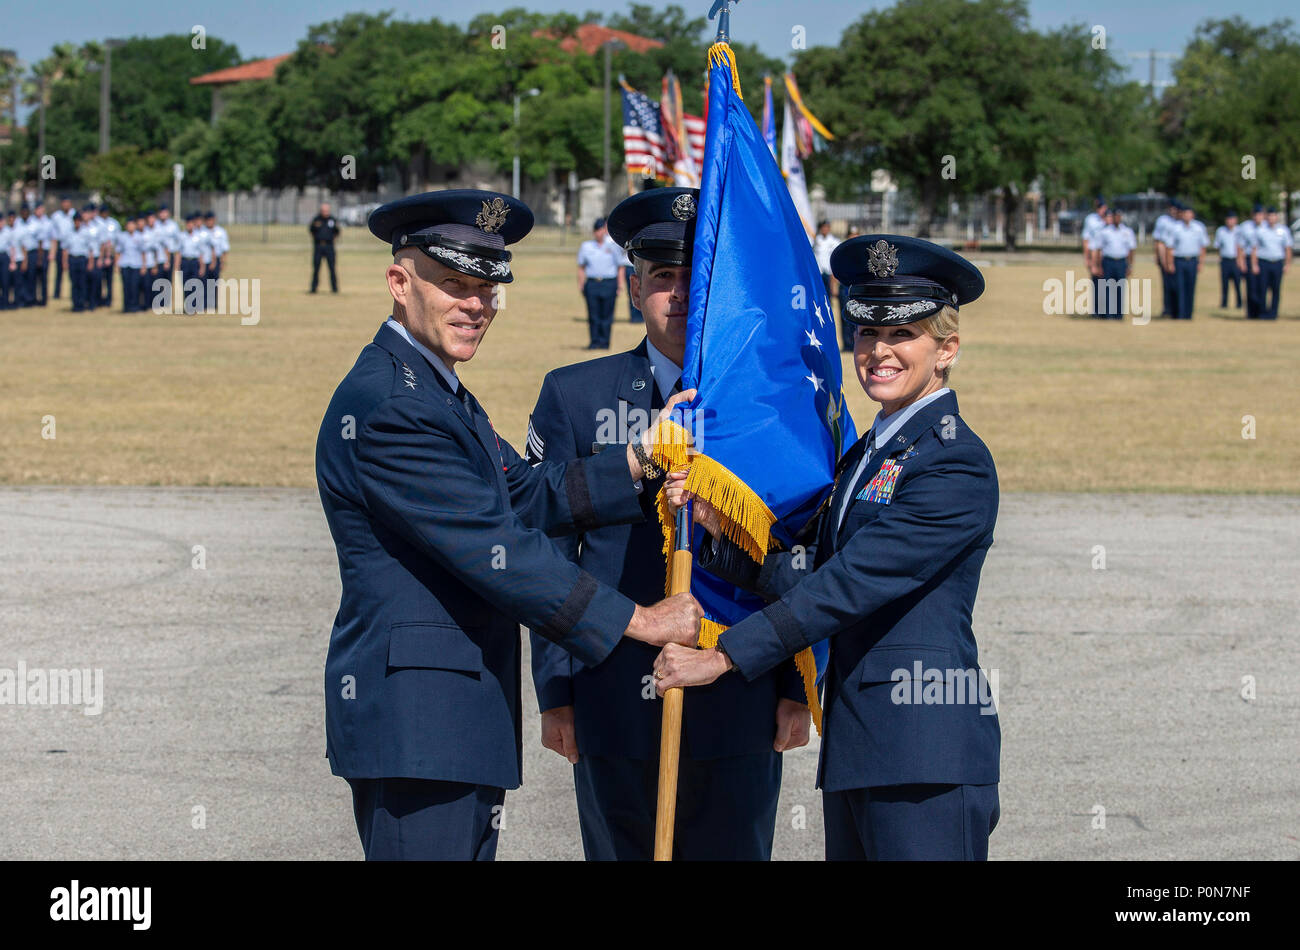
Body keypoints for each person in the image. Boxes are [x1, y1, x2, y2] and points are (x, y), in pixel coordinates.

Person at [316, 189, 704, 861]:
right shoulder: (392, 406)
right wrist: (643, 622)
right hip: (420, 726)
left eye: (488, 287)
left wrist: (642, 459)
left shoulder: (433, 389)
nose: (476, 304)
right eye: (455, 285)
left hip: (448, 723)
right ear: (399, 283)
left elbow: (527, 493)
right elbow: (503, 551)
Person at [655, 234, 1001, 861]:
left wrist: (725, 657)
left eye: (903, 335)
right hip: (865, 747)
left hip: (923, 755)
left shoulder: (953, 464)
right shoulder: (871, 451)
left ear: (947, 348)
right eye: (866, 333)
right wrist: (716, 529)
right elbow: (813, 569)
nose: (878, 351)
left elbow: (848, 586)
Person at [525, 187, 810, 861]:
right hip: (612, 694)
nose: (679, 296)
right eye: (662, 278)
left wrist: (797, 686)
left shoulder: (772, 404)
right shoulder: (575, 394)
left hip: (738, 693)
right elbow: (546, 546)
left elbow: (803, 548)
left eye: (697, 280)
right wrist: (557, 691)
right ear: (632, 286)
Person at [576, 216, 623, 349]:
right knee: (593, 315)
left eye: (601, 229)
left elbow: (620, 266)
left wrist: (620, 285)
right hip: (592, 283)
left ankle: (605, 342)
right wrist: (581, 285)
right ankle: (594, 341)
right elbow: (581, 267)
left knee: (607, 315)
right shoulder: (586, 246)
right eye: (597, 230)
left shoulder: (613, 246)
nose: (599, 233)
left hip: (609, 283)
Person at [1168, 201, 1208, 320]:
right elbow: (1170, 247)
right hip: (1179, 260)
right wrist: (1170, 263)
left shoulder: (1199, 228)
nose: (1187, 216)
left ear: (1192, 215)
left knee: (1191, 288)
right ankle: (1180, 314)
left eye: (1189, 213)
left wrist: (1201, 262)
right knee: (1179, 288)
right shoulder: (1176, 228)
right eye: (1184, 213)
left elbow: (1203, 246)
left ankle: (1188, 314)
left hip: (1192, 260)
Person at [1251, 207, 1293, 320]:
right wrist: (1254, 264)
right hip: (1264, 262)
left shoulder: (1283, 231)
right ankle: (1263, 313)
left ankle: (1273, 313)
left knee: (1276, 289)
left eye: (1273, 216)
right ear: (1266, 217)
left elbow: (1287, 248)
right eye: (1269, 216)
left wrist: (1287, 264)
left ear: (1277, 217)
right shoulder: (1260, 230)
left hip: (1277, 262)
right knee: (1262, 288)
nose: (1271, 218)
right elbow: (1254, 249)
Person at [1095, 209, 1136, 319]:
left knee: (1120, 288)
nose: (1117, 218)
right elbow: (1099, 249)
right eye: (1115, 216)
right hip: (1108, 261)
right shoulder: (1105, 232)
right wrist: (1098, 265)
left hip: (1121, 262)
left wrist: (1130, 265)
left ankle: (1119, 315)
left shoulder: (1127, 232)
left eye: (1119, 216)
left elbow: (1131, 249)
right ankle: (1108, 314)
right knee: (1107, 288)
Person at [813, 220, 843, 347]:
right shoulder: (816, 240)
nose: (825, 229)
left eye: (827, 227)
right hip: (819, 273)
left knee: (829, 302)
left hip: (829, 273)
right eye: (823, 227)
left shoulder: (834, 241)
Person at [62, 211, 96, 313]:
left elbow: (90, 249)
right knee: (74, 283)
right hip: (72, 259)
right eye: (75, 221)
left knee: (82, 283)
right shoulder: (69, 233)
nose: (77, 223)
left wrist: (90, 262)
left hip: (82, 259)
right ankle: (75, 304)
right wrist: (65, 262)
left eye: (78, 221)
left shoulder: (86, 232)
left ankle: (82, 303)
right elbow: (65, 249)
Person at [1152, 199, 1179, 318]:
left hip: (1178, 257)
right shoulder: (1162, 221)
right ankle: (1167, 308)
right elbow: (1158, 241)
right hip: (1164, 256)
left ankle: (1177, 308)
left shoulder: (1180, 222)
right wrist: (1159, 258)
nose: (1173, 211)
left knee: (1178, 285)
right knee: (1167, 284)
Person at [1238, 205, 1265, 319]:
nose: (1257, 217)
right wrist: (1241, 262)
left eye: (1260, 214)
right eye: (1255, 214)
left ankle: (1262, 312)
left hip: (1264, 259)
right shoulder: (1245, 227)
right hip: (1249, 259)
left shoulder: (1267, 226)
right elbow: (1240, 246)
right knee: (1251, 288)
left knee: (1263, 287)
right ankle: (1251, 313)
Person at [176, 213, 206, 315]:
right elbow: (178, 252)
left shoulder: (198, 236)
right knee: (186, 285)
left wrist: (202, 267)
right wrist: (177, 267)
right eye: (187, 224)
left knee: (194, 285)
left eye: (191, 223)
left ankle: (194, 306)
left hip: (194, 262)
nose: (189, 225)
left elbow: (202, 253)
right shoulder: (181, 236)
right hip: (185, 262)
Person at [1081, 197, 1107, 316]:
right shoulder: (1090, 220)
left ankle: (1109, 310)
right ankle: (1097, 310)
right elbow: (1086, 239)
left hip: (1107, 255)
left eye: (1102, 207)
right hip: (1094, 254)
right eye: (1098, 207)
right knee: (1097, 283)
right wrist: (1087, 258)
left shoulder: (1110, 219)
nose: (1100, 210)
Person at [309, 202, 340, 293]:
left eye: (326, 210)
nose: (325, 212)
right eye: (323, 210)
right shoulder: (316, 219)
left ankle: (334, 289)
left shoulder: (332, 220)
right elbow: (311, 230)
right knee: (316, 268)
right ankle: (313, 288)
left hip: (329, 246)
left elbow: (337, 232)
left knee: (332, 268)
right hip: (318, 246)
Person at [1214, 212, 1242, 310]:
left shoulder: (1239, 231)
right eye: (1228, 219)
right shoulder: (1221, 231)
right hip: (1225, 260)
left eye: (1232, 219)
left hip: (1236, 260)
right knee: (1224, 284)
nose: (1230, 221)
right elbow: (1218, 246)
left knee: (1237, 283)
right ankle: (1224, 303)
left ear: (1236, 220)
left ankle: (1239, 303)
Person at [51, 196, 75, 300]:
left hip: (72, 245)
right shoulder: (56, 216)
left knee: (72, 271)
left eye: (67, 203)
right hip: (61, 245)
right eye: (64, 203)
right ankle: (57, 293)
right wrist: (53, 251)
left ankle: (73, 293)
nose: (66, 205)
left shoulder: (75, 214)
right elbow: (54, 235)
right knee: (59, 271)